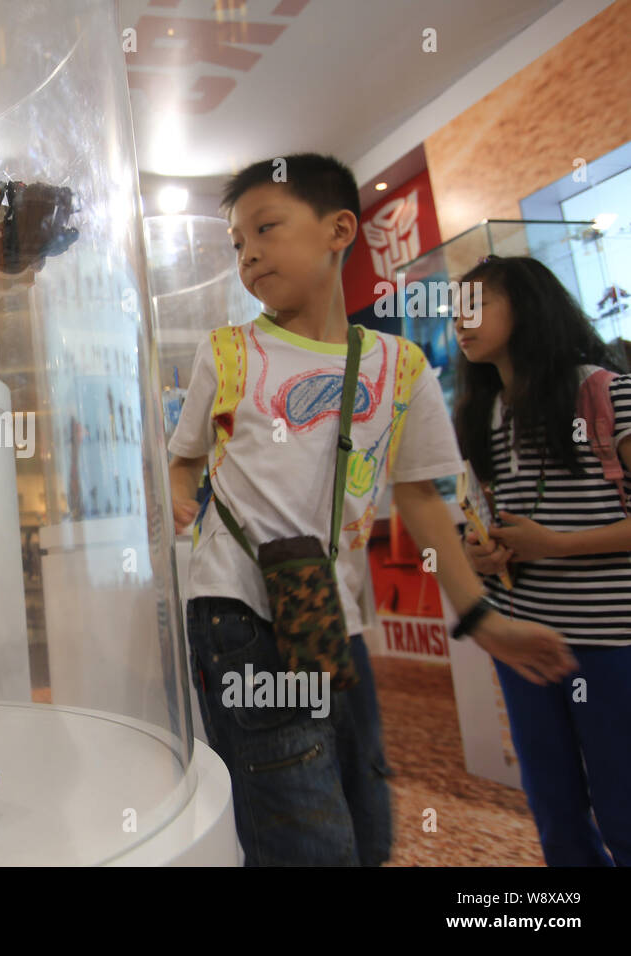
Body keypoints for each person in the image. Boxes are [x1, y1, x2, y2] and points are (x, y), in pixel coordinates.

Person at [168, 153, 577, 866]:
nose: (250, 253)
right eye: (237, 243)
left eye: (266, 228)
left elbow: (420, 498)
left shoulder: (402, 367)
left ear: (339, 229)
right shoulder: (227, 352)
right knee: (301, 825)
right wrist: (180, 490)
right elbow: (186, 456)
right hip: (239, 612)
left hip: (332, 615)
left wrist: (480, 615)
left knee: (368, 817)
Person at [454, 254, 631, 866]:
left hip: (610, 639)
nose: (459, 322)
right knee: (554, 809)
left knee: (623, 808)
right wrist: (478, 552)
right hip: (524, 639)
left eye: (476, 307)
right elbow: (476, 517)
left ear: (527, 307)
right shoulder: (484, 410)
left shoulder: (603, 392)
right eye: (455, 311)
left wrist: (554, 544)